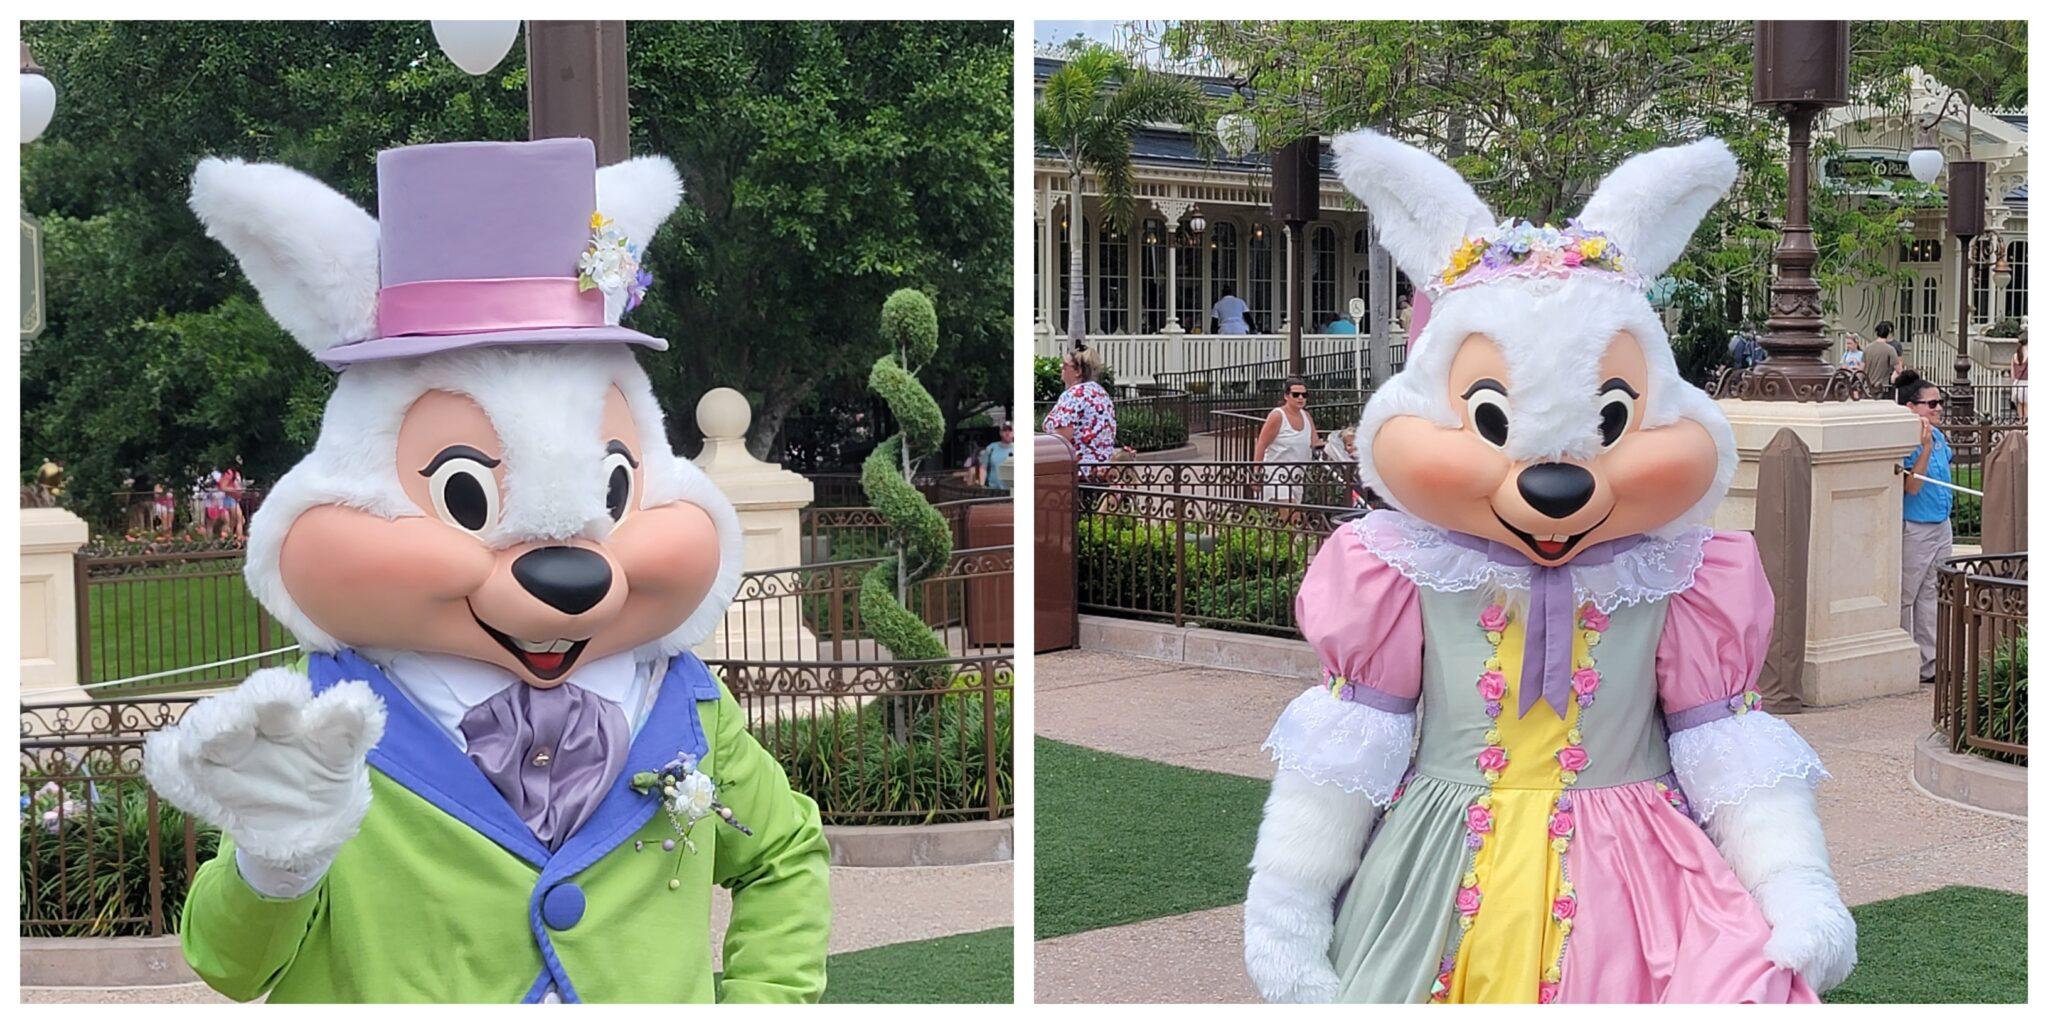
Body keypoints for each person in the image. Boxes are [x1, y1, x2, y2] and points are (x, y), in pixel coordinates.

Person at [1245, 130, 1851, 1004]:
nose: (1555, 482)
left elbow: (1725, 749)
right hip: (1439, 872)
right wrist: (1288, 908)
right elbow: (1348, 754)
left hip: (1640, 880)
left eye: (1612, 419)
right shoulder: (1399, 571)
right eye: (1490, 420)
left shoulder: (1683, 575)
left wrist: (1797, 884)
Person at [1896, 371, 1953, 686]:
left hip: (1940, 523)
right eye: (1931, 404)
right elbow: (1911, 487)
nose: (1938, 408)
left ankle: (1930, 664)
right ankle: (1906, 661)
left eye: (1939, 403)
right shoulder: (1909, 441)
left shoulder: (1941, 436)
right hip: (1916, 526)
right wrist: (1925, 447)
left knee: (1931, 592)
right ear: (1911, 407)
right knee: (1907, 594)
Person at [1042, 345, 1117, 473]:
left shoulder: (1074, 395)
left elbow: (1061, 438)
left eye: (1065, 366)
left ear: (1078, 371)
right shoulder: (1101, 393)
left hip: (1078, 472)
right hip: (1102, 470)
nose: (1062, 368)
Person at [1255, 376, 1317, 502]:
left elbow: (1315, 442)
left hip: (1297, 475)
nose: (1300, 398)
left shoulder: (1306, 416)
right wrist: (1256, 473)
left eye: (1304, 395)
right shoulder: (1277, 416)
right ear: (1286, 396)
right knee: (1291, 514)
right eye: (1296, 394)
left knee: (1290, 517)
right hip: (1277, 474)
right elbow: (1261, 444)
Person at [1862, 321, 1901, 396]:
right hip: (1883, 387)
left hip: (1867, 387)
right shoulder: (1890, 349)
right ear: (1887, 333)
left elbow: (1861, 368)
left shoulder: (1867, 348)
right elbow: (1898, 370)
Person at [976, 421, 1014, 492]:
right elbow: (983, 468)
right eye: (1005, 430)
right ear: (1000, 433)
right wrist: (982, 486)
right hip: (993, 491)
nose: (1007, 433)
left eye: (1010, 430)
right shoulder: (991, 448)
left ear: (1014, 433)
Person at [2010, 330, 2027, 420]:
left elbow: (2012, 375)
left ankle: (2021, 427)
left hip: (2017, 385)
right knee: (2027, 409)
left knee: (2020, 409)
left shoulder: (2014, 356)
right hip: (2027, 384)